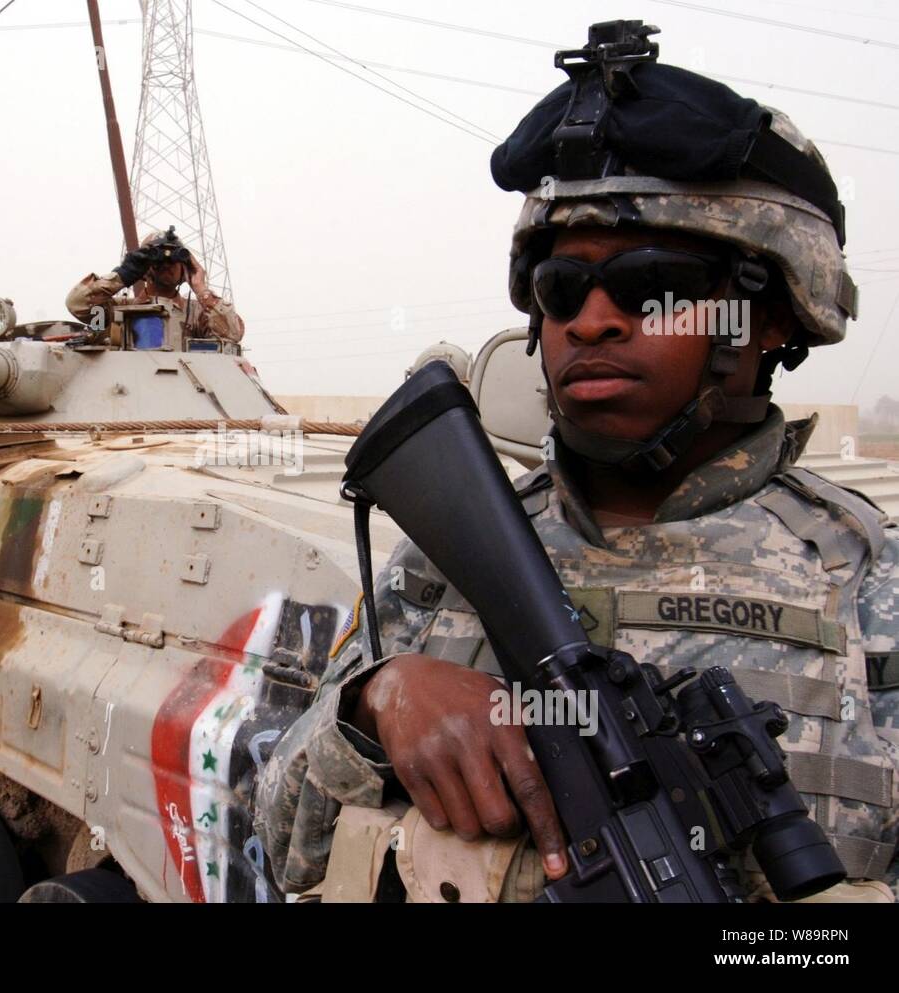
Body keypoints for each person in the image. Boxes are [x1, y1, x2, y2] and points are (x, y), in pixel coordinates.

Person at [253, 21, 898, 903]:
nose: (591, 320)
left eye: (647, 285)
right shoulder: (447, 561)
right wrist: (378, 705)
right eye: (562, 288)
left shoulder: (868, 586)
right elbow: (278, 840)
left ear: (769, 319)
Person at [65, 227, 244, 345]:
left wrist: (201, 289)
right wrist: (122, 276)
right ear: (142, 268)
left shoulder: (198, 315)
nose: (167, 264)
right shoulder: (117, 310)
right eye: (158, 260)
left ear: (185, 268)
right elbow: (78, 304)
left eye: (174, 260)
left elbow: (232, 335)